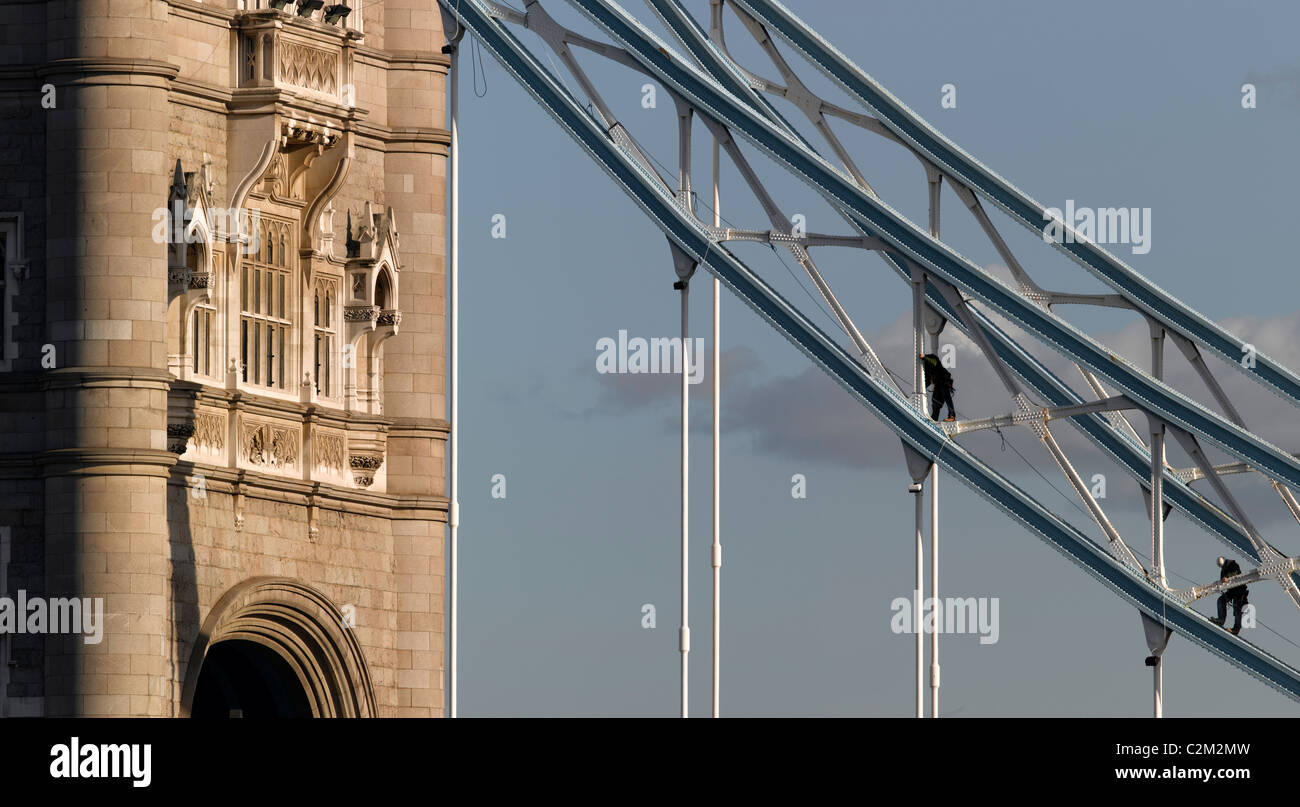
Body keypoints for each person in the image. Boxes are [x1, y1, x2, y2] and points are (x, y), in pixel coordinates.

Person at [1210, 556, 1249, 635]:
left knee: (1237, 608)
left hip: (1239, 590)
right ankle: (1221, 620)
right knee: (1221, 600)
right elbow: (1223, 580)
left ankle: (1236, 629)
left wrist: (1227, 578)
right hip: (1231, 591)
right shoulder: (1223, 570)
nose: (1222, 567)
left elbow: (1235, 574)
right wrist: (1220, 584)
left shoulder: (1233, 565)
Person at [919, 353, 956, 422]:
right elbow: (928, 381)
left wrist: (924, 357)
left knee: (946, 396)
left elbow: (934, 362)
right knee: (936, 401)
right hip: (938, 383)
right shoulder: (927, 371)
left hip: (944, 380)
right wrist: (921, 388)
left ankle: (952, 415)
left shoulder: (932, 358)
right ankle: (934, 418)